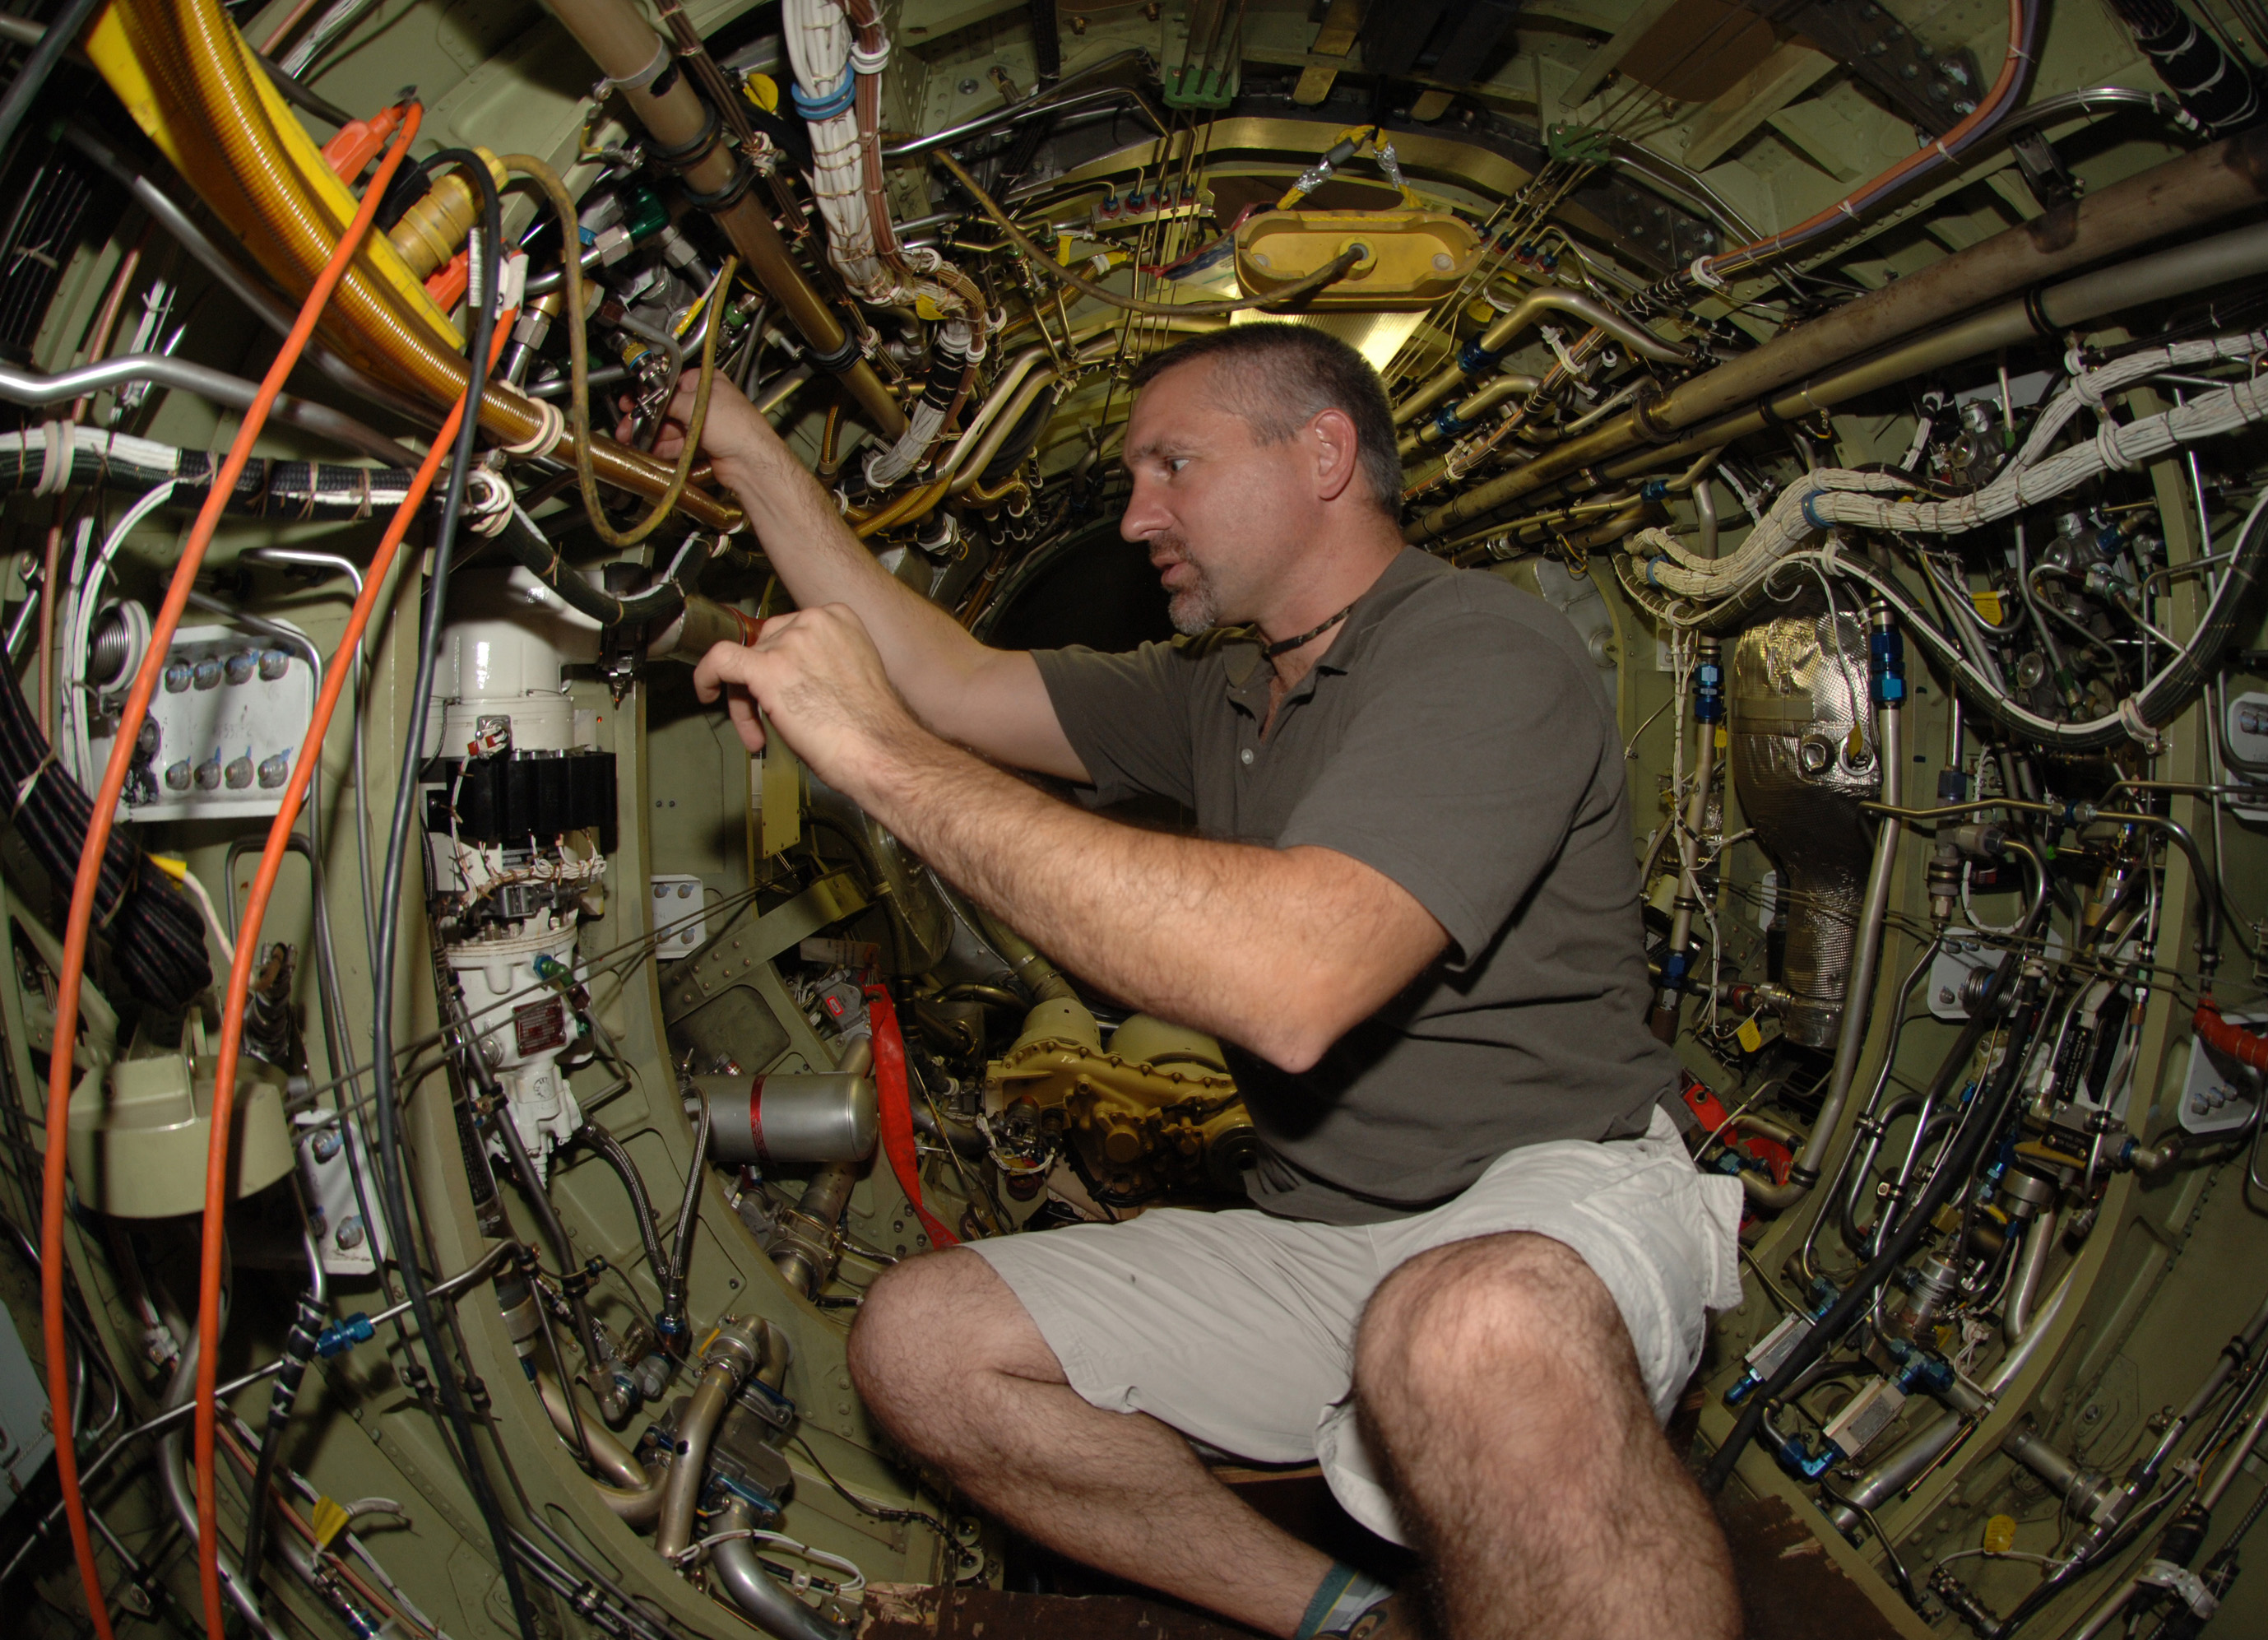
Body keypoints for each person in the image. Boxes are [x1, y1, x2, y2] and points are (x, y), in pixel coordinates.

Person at [661, 324, 1745, 1640]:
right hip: (1324, 1233)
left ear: (1327, 454)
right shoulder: (1220, 685)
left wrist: (874, 757)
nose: (1133, 517)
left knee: (1472, 1324)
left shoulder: (1483, 650)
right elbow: (943, 680)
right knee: (920, 1348)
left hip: (1548, 1198)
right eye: (1130, 476)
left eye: (1172, 465)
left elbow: (1297, 982)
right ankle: (1347, 1618)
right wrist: (749, 450)